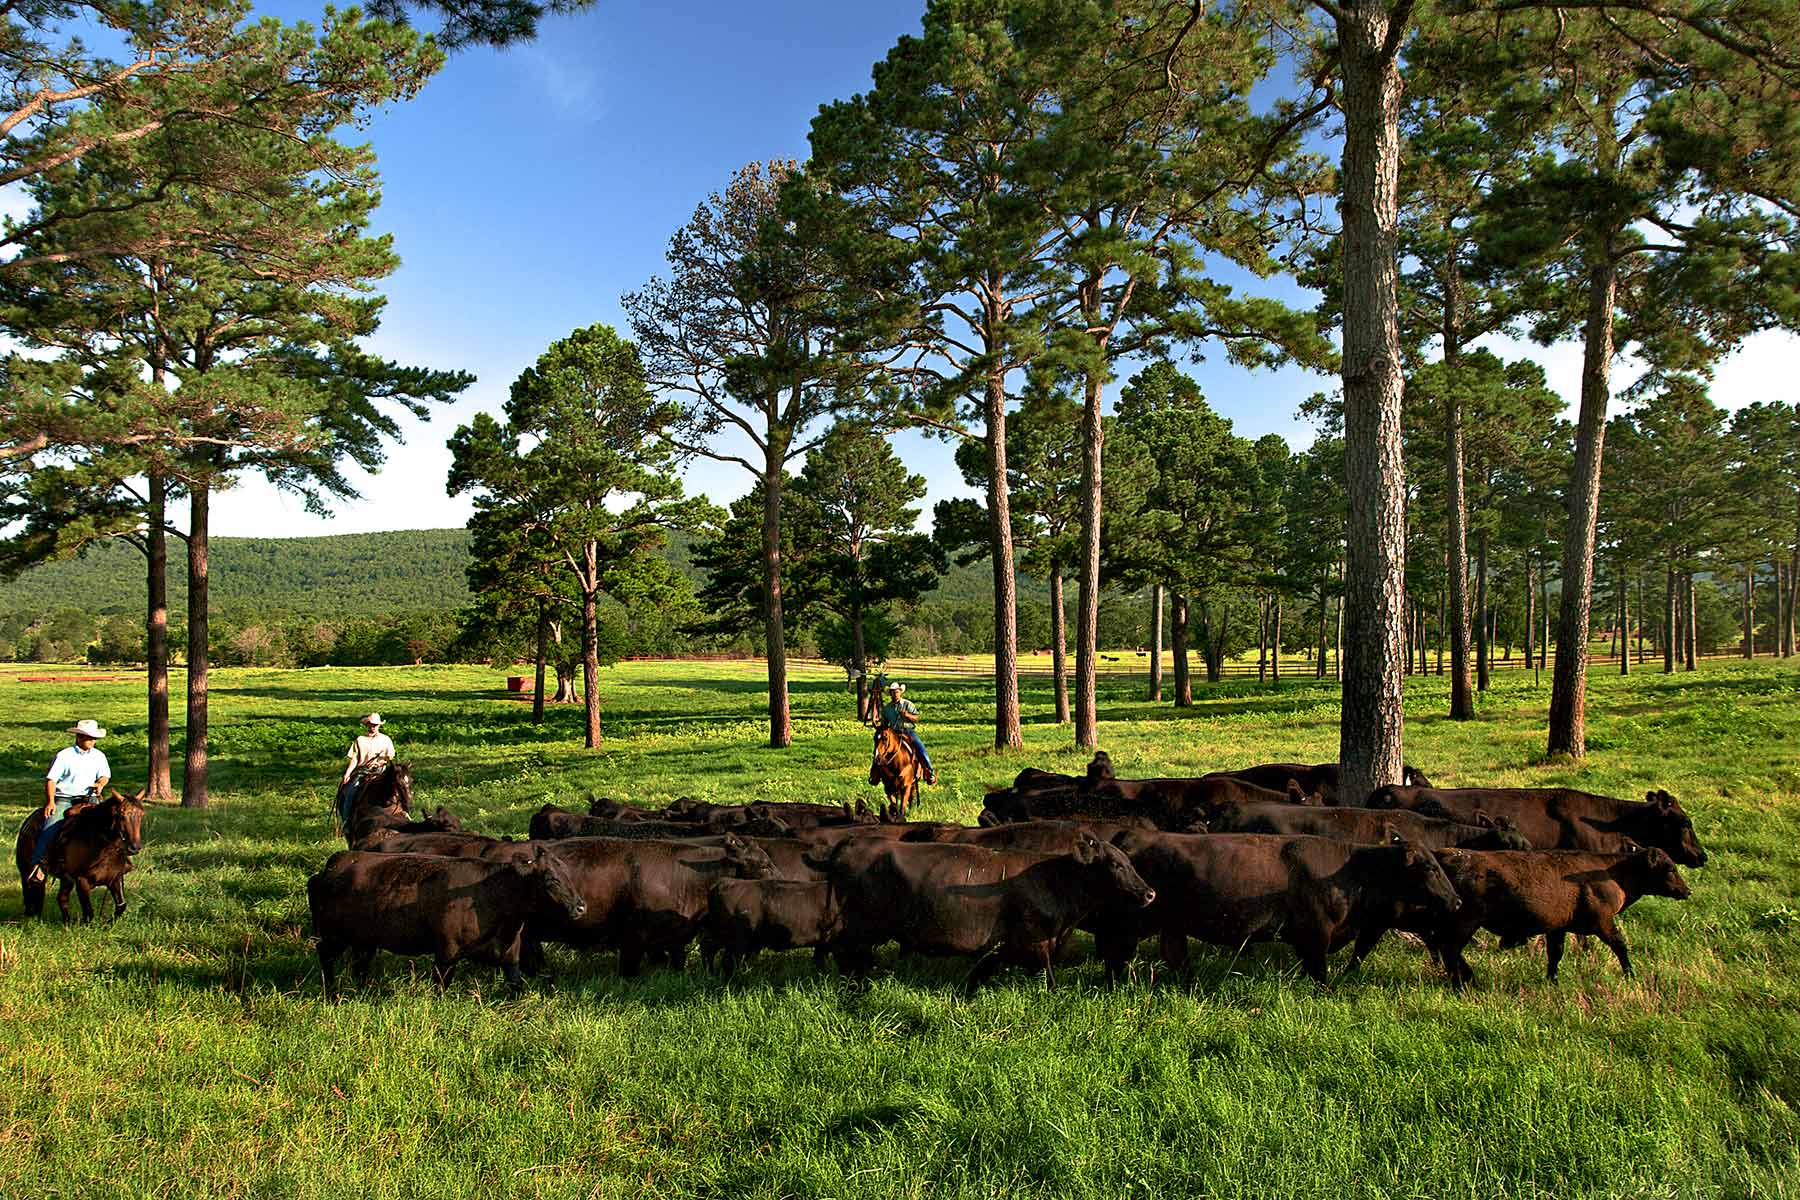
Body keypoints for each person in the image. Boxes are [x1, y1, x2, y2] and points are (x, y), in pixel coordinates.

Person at [29, 718, 111, 884]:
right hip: (65, 797)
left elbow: (105, 775)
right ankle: (39, 864)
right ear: (79, 737)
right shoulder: (64, 756)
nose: (92, 741)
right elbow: (51, 780)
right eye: (89, 737)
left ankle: (115, 860)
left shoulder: (99, 756)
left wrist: (100, 784)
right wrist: (51, 801)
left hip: (88, 798)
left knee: (109, 822)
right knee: (51, 825)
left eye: (94, 738)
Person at [336, 712, 396, 828]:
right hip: (363, 772)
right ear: (367, 725)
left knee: (397, 790)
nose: (373, 727)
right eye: (371, 724)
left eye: (375, 725)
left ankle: (404, 814)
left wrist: (380, 762)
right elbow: (354, 758)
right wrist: (347, 774)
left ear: (379, 726)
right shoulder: (360, 740)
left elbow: (389, 758)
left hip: (380, 772)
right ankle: (347, 822)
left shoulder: (386, 740)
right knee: (349, 792)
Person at [877, 681, 935, 785]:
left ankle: (929, 772)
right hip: (893, 733)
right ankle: (875, 774)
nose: (895, 694)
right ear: (890, 693)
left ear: (900, 692)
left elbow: (916, 718)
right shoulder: (887, 709)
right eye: (893, 692)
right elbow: (884, 724)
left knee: (920, 747)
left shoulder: (908, 704)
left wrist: (907, 715)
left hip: (908, 731)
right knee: (879, 749)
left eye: (897, 692)